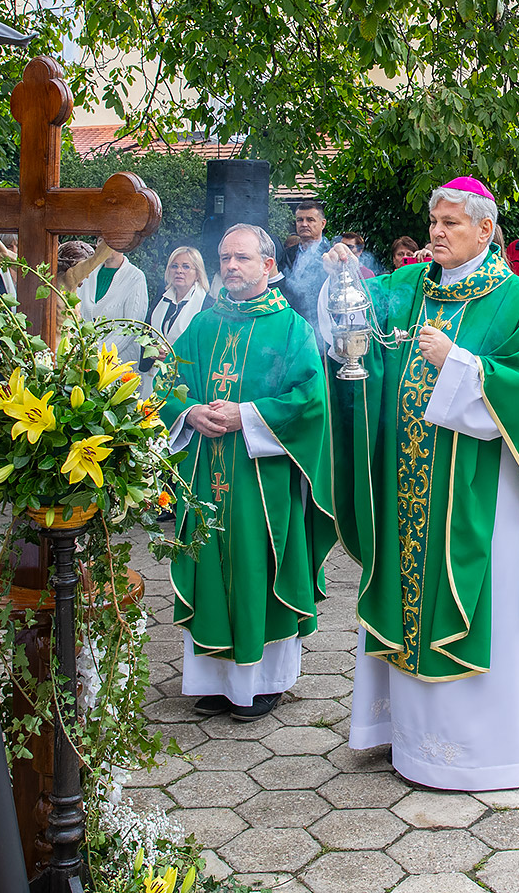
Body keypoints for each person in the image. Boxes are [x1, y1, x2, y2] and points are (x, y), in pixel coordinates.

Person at [321, 178, 519, 791]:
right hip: (407, 484)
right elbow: (355, 321)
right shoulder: (409, 286)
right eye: (433, 222)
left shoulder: (514, 299)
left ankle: (481, 754)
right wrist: (342, 277)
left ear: (485, 230)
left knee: (482, 603)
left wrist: (458, 364)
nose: (435, 233)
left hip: (482, 494)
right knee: (405, 593)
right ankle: (408, 743)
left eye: (450, 224)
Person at [161, 225, 336, 722]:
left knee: (258, 568)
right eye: (224, 258)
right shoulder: (202, 326)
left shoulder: (291, 329)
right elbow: (170, 383)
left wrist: (248, 415)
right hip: (206, 476)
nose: (231, 267)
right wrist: (189, 412)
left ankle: (264, 683)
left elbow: (310, 401)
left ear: (269, 266)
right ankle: (212, 681)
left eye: (241, 258)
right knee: (209, 565)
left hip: (262, 481)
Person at [78, 243, 151, 366]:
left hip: (118, 363)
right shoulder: (87, 272)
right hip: (83, 361)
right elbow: (78, 315)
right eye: (101, 240)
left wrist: (98, 353)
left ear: (124, 245)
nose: (105, 245)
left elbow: (132, 326)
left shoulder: (135, 277)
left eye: (111, 241)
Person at [148, 246, 213, 359]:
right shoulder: (161, 298)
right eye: (174, 266)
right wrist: (151, 350)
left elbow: (207, 348)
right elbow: (146, 332)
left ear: (198, 273)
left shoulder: (208, 306)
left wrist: (174, 354)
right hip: (153, 371)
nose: (179, 271)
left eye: (186, 267)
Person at [276, 202, 333, 316]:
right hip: (291, 317)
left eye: (310, 220)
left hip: (321, 319)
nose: (304, 224)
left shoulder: (331, 255)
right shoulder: (286, 254)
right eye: (300, 220)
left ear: (323, 224)